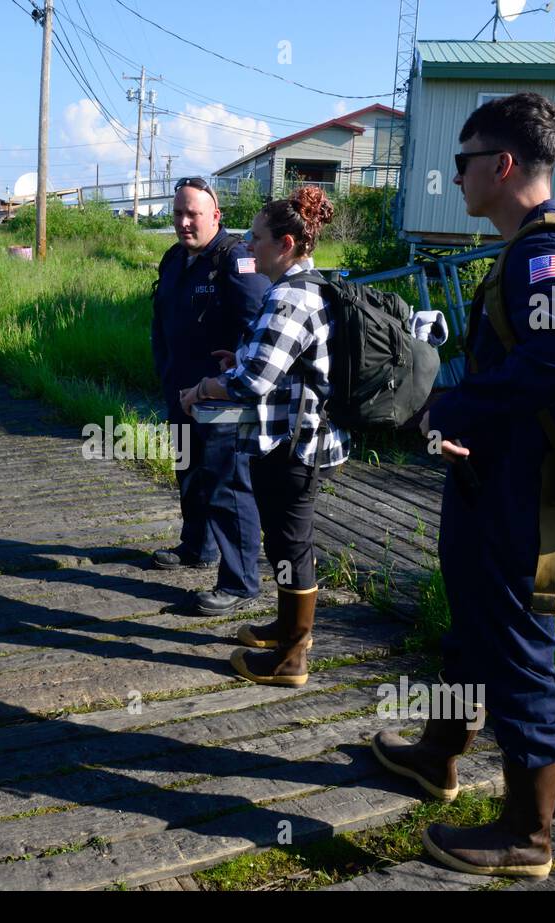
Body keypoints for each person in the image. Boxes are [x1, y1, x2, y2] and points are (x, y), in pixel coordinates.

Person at [372, 92, 555, 878]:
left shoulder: (549, 255)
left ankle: (529, 838)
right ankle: (437, 756)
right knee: (470, 627)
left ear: (501, 166)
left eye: (462, 163)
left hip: (526, 502)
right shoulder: (518, 253)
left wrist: (460, 404)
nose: (455, 177)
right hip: (490, 486)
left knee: (519, 655)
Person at [179, 186, 350, 686]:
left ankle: (291, 658)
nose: (249, 248)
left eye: (257, 239)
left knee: (291, 543)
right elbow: (279, 366)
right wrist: (240, 361)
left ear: (287, 244)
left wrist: (204, 388)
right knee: (281, 539)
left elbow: (253, 382)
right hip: (291, 436)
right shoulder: (301, 288)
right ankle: (285, 628)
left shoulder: (291, 298)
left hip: (296, 445)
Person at [150, 176, 270, 615]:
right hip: (180, 393)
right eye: (178, 213)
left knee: (227, 486)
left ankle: (240, 582)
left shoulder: (235, 260)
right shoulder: (174, 259)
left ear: (215, 215)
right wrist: (166, 373)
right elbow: (162, 320)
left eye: (193, 214)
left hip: (222, 401)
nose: (183, 221)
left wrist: (229, 375)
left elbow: (260, 329)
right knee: (189, 473)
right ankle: (196, 547)